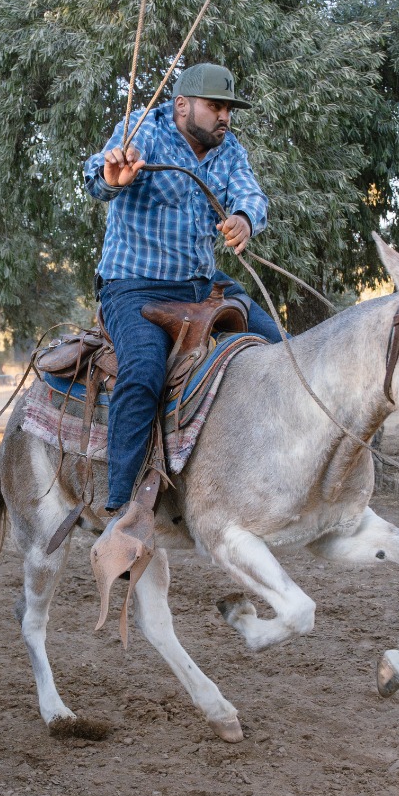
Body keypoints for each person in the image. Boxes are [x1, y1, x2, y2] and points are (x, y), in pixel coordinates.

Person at [82, 62, 280, 535]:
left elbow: (252, 196)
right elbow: (96, 174)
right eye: (216, 106)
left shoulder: (228, 149)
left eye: (229, 108)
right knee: (144, 371)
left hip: (202, 286)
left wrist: (245, 220)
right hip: (133, 286)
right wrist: (113, 177)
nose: (225, 116)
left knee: (282, 350)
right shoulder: (142, 131)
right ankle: (122, 506)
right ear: (183, 105)